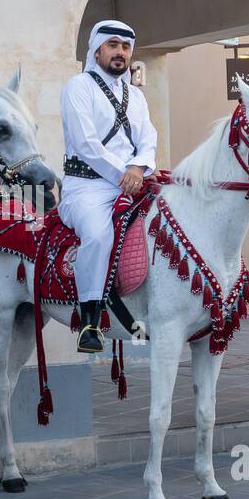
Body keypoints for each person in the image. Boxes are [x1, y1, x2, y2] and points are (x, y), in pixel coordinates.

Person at [58, 20, 157, 353]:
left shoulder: (137, 96)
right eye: (113, 45)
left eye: (126, 47)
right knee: (99, 236)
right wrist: (124, 174)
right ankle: (90, 321)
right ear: (96, 50)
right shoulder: (78, 87)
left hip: (132, 181)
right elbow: (86, 144)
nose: (120, 53)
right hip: (86, 188)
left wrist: (139, 168)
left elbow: (149, 140)